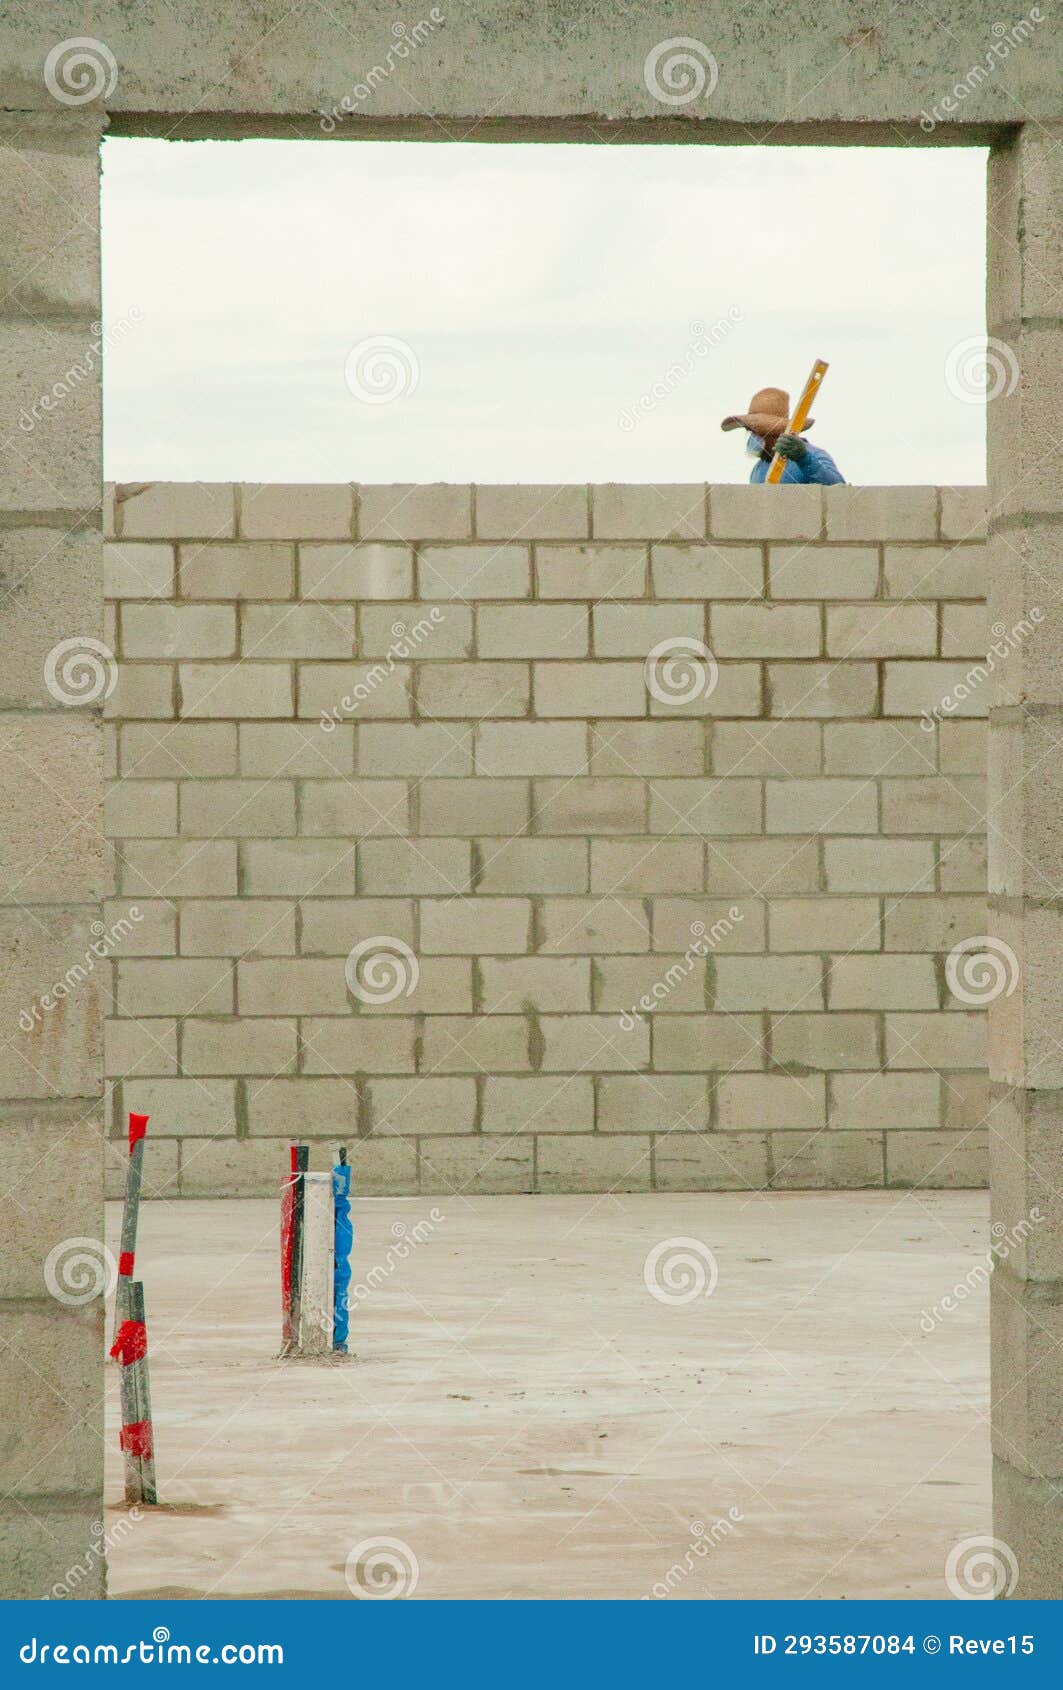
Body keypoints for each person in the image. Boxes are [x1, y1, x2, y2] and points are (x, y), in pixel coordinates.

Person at [721, 385, 845, 484]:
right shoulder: (758, 470)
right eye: (749, 431)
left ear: (773, 433)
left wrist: (804, 459)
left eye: (755, 431)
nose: (751, 437)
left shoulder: (813, 455)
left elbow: (839, 490)